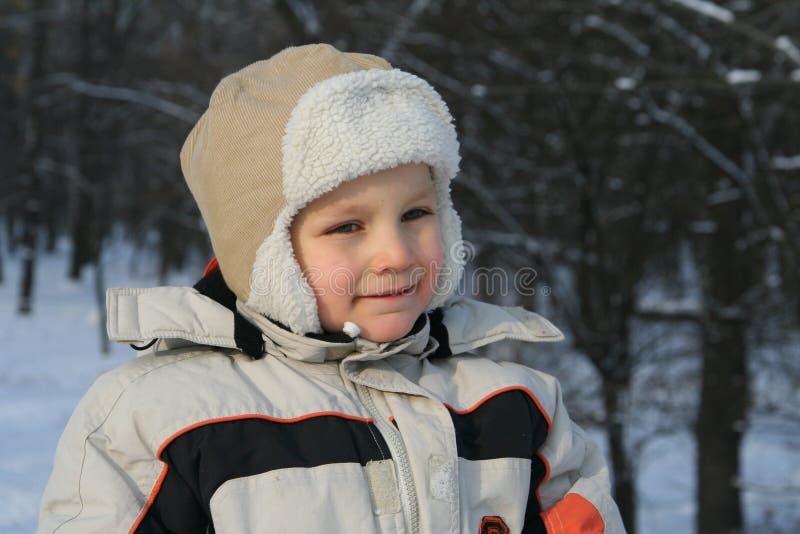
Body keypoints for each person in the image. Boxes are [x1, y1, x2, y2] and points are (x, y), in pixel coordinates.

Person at [37, 44, 625, 533]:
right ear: (264, 254)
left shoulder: (516, 404)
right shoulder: (162, 420)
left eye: (417, 213)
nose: (398, 254)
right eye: (348, 226)